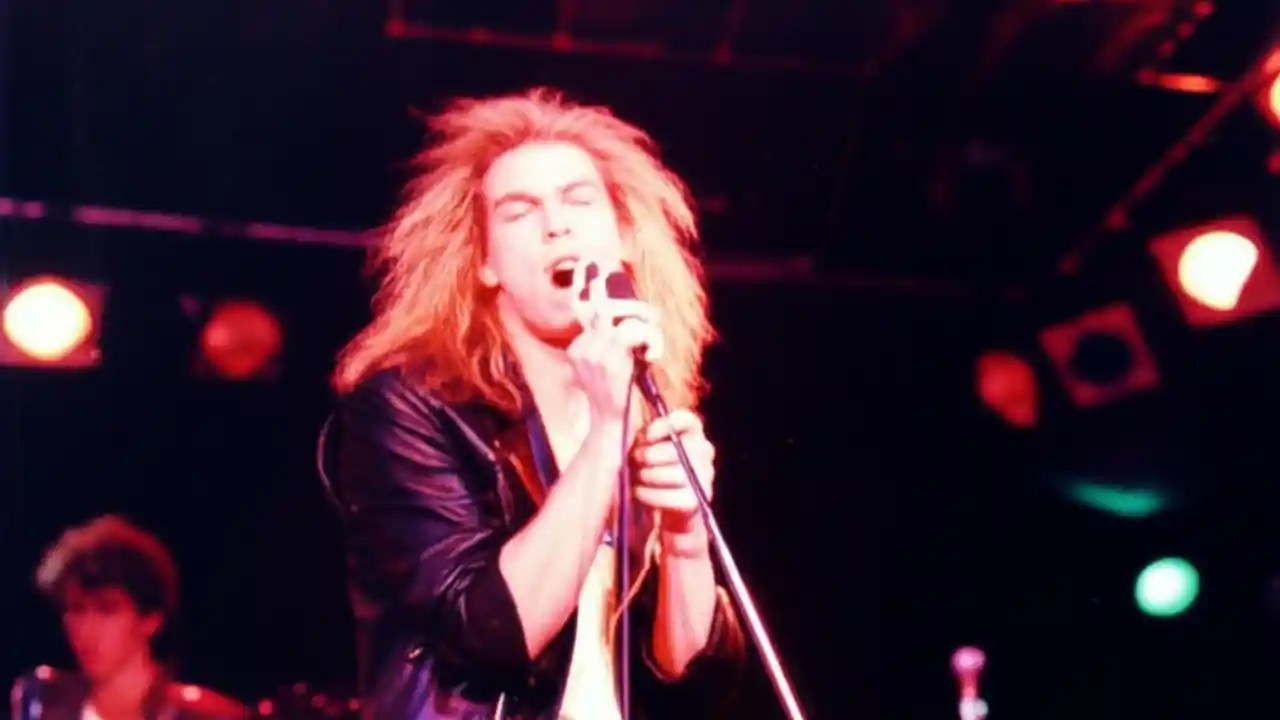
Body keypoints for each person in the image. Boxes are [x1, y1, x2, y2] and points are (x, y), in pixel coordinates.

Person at [321, 86, 746, 719]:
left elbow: (696, 683)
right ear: (484, 262)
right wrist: (604, 434)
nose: (557, 224)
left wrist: (684, 535)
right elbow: (487, 636)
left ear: (623, 236)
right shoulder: (409, 408)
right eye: (520, 211)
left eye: (579, 200)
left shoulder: (639, 408)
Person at [10, 515, 249, 720]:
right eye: (77, 609)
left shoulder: (205, 716)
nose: (86, 628)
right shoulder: (44, 702)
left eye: (107, 609)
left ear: (150, 619)